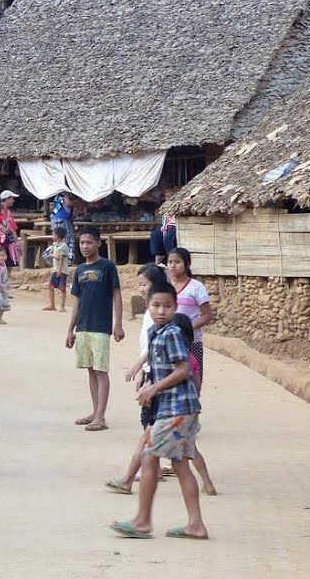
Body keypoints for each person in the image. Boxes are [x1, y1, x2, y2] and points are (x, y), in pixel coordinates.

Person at [107, 277, 209, 541]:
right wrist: (148, 386)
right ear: (147, 306)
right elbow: (160, 368)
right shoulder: (155, 333)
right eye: (156, 305)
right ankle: (195, 524)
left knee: (150, 457)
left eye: (166, 306)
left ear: (175, 308)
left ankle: (142, 521)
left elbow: (184, 369)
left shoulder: (173, 332)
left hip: (178, 408)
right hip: (174, 407)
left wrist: (154, 389)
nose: (161, 311)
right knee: (179, 464)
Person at [65, 227, 123, 432]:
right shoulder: (79, 270)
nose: (85, 246)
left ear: (99, 243)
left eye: (89, 242)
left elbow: (117, 295)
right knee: (90, 370)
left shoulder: (108, 266)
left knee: (101, 371)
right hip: (83, 327)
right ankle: (95, 411)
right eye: (81, 243)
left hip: (100, 327)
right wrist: (70, 330)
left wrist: (118, 324)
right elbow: (77, 302)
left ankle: (101, 416)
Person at [165, 248, 213, 394]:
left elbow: (207, 315)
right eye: (170, 262)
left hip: (191, 342)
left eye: (177, 262)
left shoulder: (196, 288)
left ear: (187, 264)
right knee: (169, 382)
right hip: (168, 341)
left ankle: (192, 412)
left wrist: (187, 328)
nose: (173, 265)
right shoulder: (165, 287)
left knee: (194, 383)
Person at [44, 225, 70, 312]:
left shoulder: (64, 246)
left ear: (57, 235)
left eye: (53, 234)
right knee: (51, 286)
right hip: (55, 269)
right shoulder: (56, 245)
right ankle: (52, 305)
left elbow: (61, 258)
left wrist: (59, 270)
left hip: (61, 270)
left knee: (62, 288)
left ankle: (62, 306)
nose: (52, 236)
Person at [52, 192, 76, 260]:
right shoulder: (66, 194)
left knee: (58, 239)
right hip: (63, 219)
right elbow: (68, 203)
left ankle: (58, 257)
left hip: (56, 218)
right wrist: (77, 203)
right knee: (68, 239)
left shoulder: (57, 196)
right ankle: (67, 259)